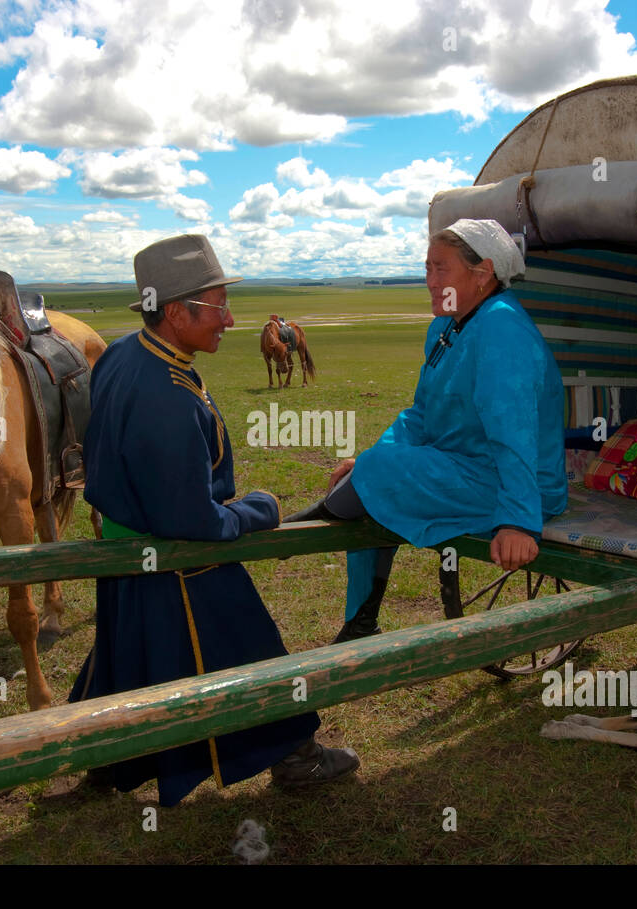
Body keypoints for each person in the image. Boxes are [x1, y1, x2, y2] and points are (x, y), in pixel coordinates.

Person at [68, 233, 359, 806]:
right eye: (218, 306)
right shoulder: (169, 395)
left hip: (126, 555)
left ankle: (106, 759)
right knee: (248, 650)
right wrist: (258, 509)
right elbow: (193, 520)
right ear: (177, 312)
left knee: (127, 654)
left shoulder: (128, 353)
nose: (229, 319)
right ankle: (296, 756)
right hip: (182, 561)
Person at [286, 218, 567, 641]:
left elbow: (514, 432)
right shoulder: (447, 327)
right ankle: (360, 622)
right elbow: (420, 414)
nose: (430, 282)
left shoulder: (502, 327)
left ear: (483, 273)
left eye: (441, 269)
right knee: (376, 473)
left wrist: (519, 522)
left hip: (511, 484)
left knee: (378, 476)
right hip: (461, 469)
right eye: (427, 269)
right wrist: (366, 461)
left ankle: (296, 530)